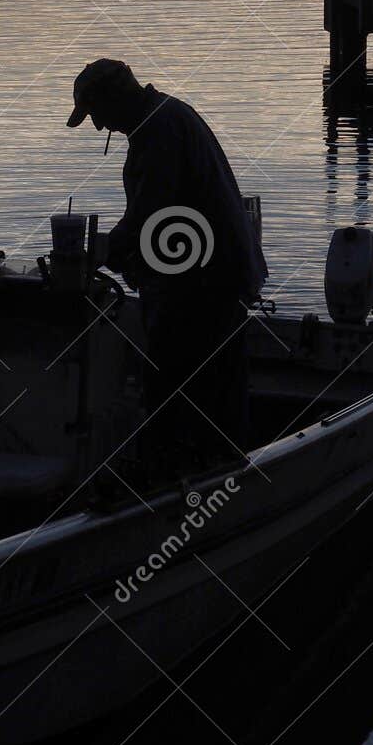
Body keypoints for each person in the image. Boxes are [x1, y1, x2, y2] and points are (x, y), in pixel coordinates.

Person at [65, 59, 266, 477]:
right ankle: (209, 475)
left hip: (207, 283)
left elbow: (151, 214)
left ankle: (183, 485)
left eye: (96, 115)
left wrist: (101, 252)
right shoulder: (162, 119)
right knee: (206, 389)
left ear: (115, 100)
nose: (99, 128)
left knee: (177, 386)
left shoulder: (159, 132)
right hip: (205, 275)